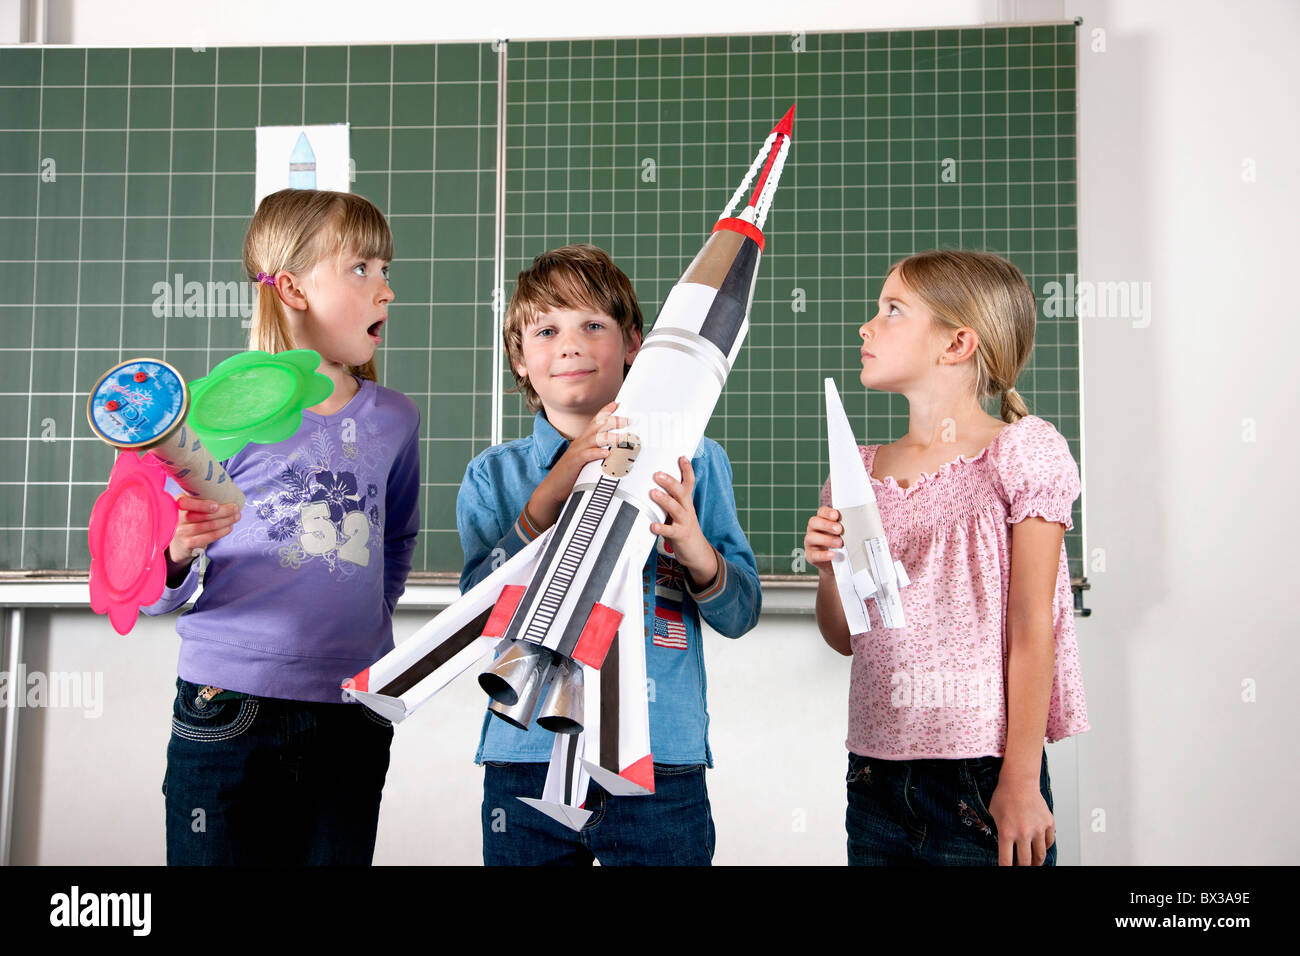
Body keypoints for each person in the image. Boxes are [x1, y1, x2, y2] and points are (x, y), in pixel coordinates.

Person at [457, 244, 761, 866]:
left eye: (593, 325)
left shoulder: (697, 461)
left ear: (634, 346)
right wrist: (556, 484)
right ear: (520, 358)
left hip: (659, 760)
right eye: (546, 330)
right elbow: (475, 614)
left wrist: (696, 549)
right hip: (526, 757)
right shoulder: (494, 476)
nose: (569, 344)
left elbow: (740, 612)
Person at [144, 189, 420, 865]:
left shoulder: (395, 419)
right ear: (292, 287)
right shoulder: (214, 416)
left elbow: (396, 540)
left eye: (386, 269)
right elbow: (148, 584)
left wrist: (362, 625)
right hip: (229, 708)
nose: (386, 289)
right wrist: (178, 552)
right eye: (363, 269)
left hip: (351, 710)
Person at [803, 249, 1089, 866]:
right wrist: (828, 572)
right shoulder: (859, 474)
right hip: (875, 778)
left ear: (957, 343)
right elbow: (846, 637)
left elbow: (1034, 626)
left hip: (982, 777)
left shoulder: (1020, 454)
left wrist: (1019, 779)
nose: (866, 326)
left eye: (893, 311)